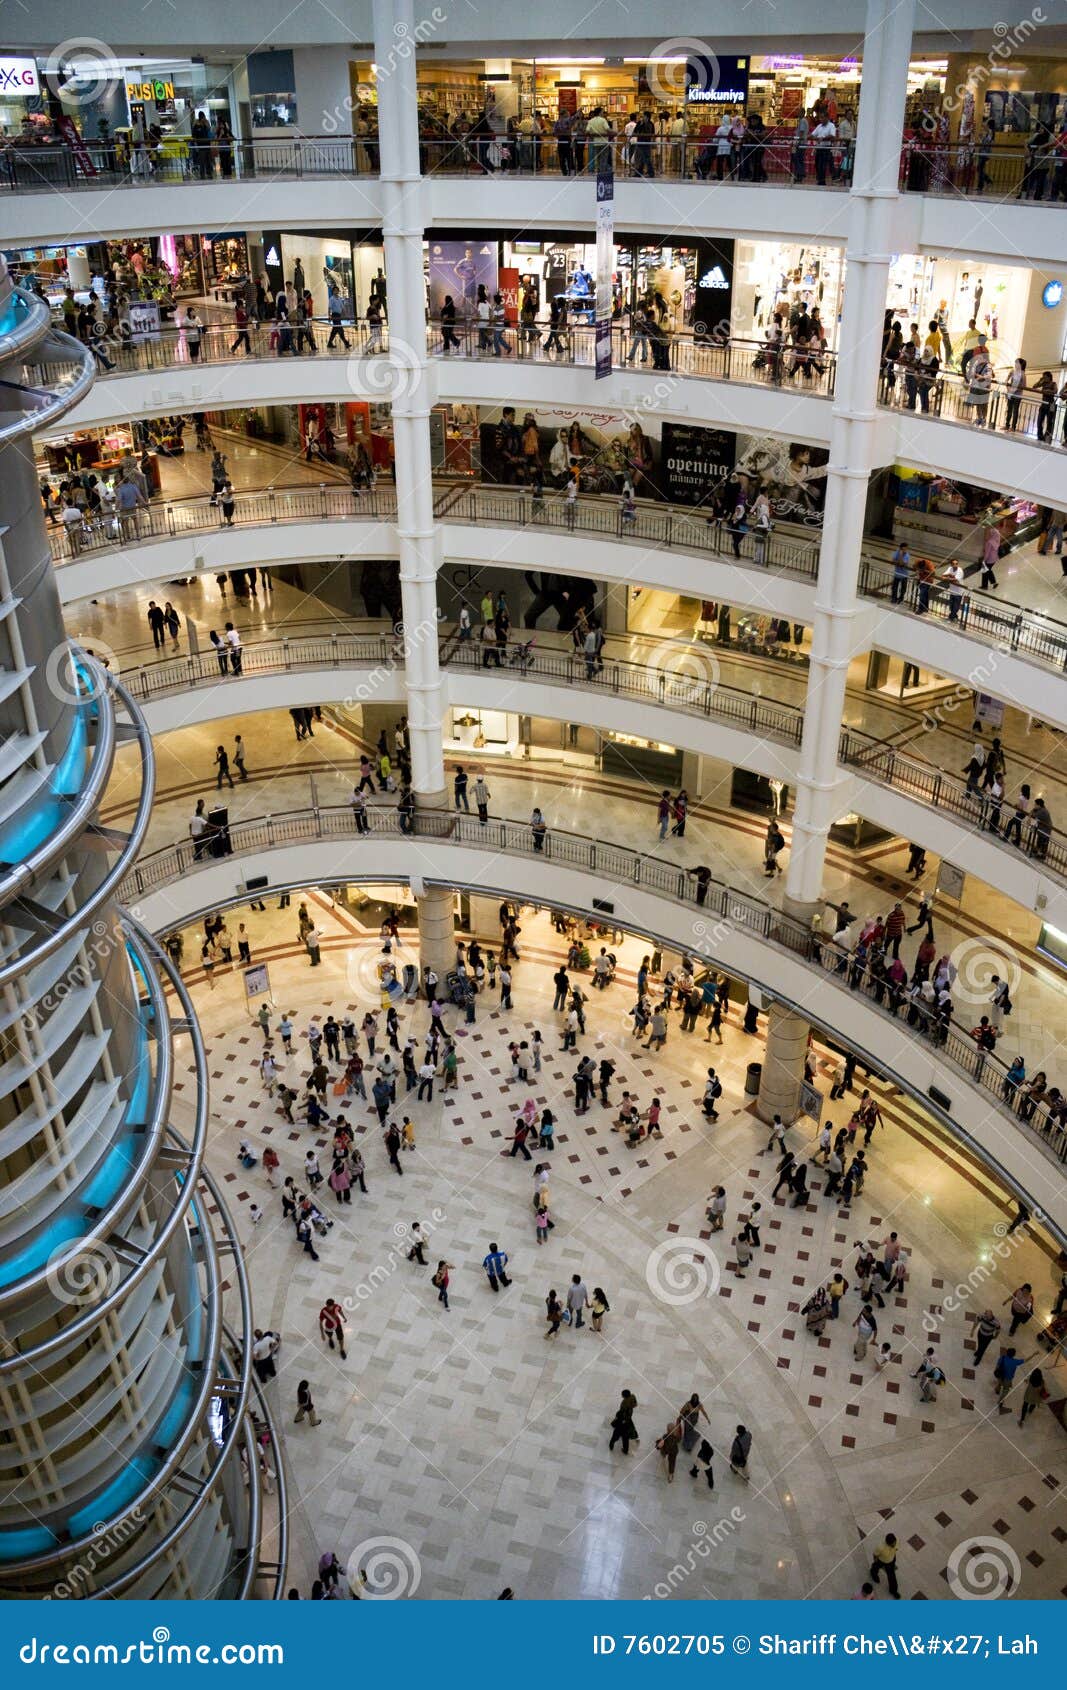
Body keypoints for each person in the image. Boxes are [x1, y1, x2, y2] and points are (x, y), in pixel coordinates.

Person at [869, 1533, 901, 1598]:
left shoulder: (896, 1541)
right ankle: (873, 1574)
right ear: (888, 1543)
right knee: (875, 1567)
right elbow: (875, 1555)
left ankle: (893, 1591)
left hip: (891, 1561)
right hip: (881, 1561)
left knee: (892, 1577)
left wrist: (892, 1559)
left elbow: (896, 1549)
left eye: (894, 1542)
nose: (894, 1544)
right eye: (893, 1544)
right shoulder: (880, 1547)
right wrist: (876, 1561)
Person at [608, 1389, 639, 1453]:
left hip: (622, 1421)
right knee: (626, 1437)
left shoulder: (624, 1403)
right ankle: (626, 1449)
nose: (621, 1396)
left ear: (624, 1396)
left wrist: (620, 1417)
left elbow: (621, 1413)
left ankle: (611, 1444)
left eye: (622, 1395)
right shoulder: (633, 1396)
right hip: (628, 1419)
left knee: (615, 1435)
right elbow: (635, 1404)